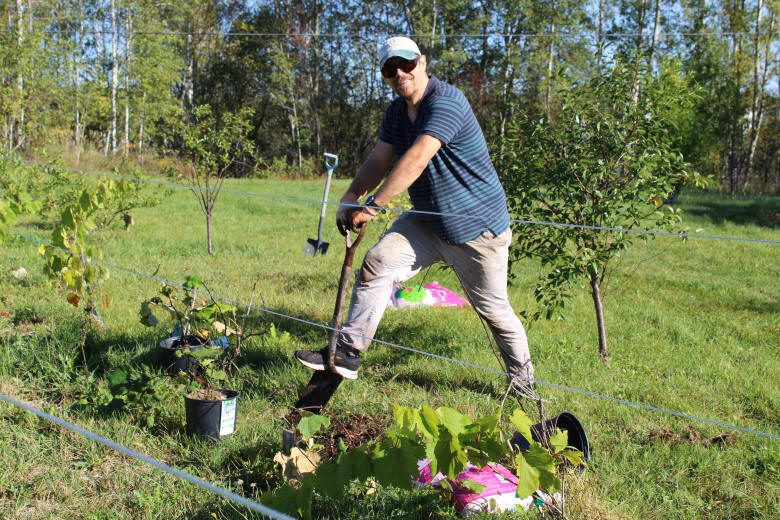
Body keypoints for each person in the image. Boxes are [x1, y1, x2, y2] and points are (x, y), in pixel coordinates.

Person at [295, 36, 535, 396]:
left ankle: (524, 385)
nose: (399, 73)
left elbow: (417, 159)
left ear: (422, 62)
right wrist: (350, 196)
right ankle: (347, 352)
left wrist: (372, 206)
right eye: (390, 69)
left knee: (495, 313)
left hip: (476, 229)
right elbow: (380, 160)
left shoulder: (447, 102)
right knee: (376, 263)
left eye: (406, 64)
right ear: (385, 75)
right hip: (426, 221)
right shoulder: (396, 112)